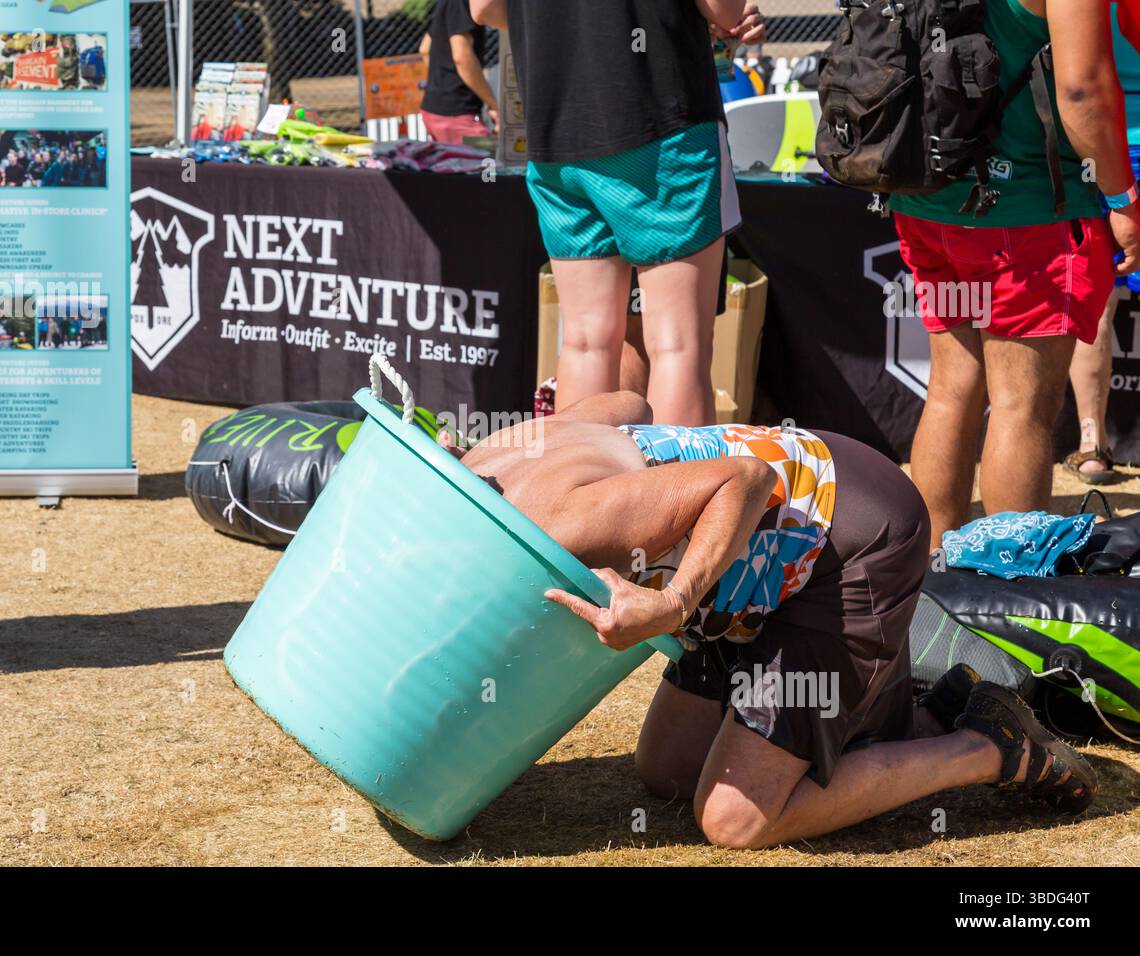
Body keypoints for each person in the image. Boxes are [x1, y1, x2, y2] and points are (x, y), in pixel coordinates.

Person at [440, 391, 1097, 846]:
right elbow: (625, 406)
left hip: (852, 544)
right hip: (755, 567)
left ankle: (990, 749)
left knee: (736, 821)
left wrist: (673, 600)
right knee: (666, 771)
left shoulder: (560, 524)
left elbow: (746, 481)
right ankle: (924, 711)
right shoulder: (497, 451)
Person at [891, 0, 1138, 549]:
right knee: (1020, 405)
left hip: (927, 193)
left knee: (952, 389)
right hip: (1025, 208)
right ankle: (1011, 590)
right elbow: (1082, 92)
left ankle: (934, 580)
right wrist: (1123, 198)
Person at [472, 0, 761, 426]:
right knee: (678, 347)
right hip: (661, 124)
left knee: (586, 343)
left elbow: (485, 8)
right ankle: (671, 493)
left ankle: (576, 489)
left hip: (558, 135)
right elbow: (724, 8)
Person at [1066, 1, 1140, 485]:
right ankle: (1091, 444)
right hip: (1102, 146)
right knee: (1097, 301)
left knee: (1098, 301)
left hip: (1096, 147)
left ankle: (1092, 446)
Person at [419, 0, 496, 145]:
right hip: (458, 115)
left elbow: (425, 49)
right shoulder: (463, 3)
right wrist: (493, 104)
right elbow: (462, 57)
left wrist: (442, 84)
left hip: (433, 110)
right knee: (487, 164)